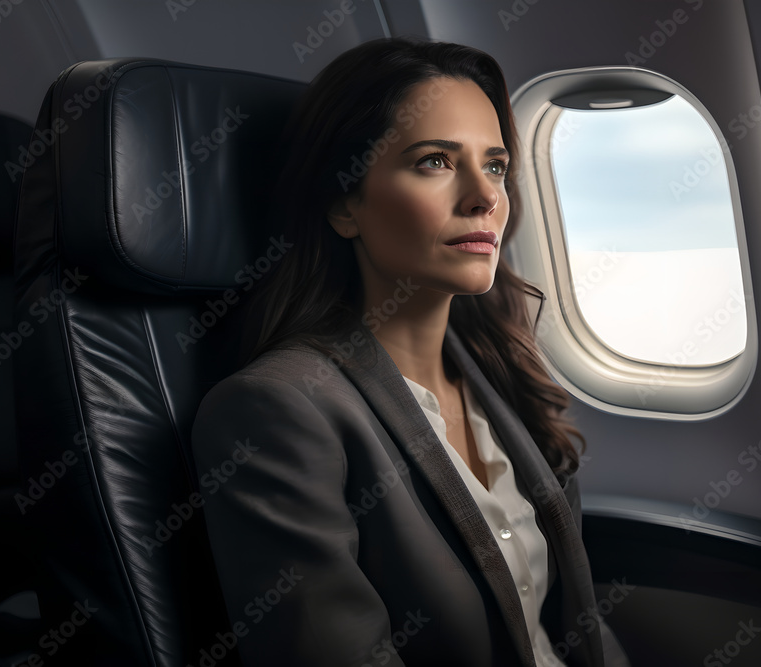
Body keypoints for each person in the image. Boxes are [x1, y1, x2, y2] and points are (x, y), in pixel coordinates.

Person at [191, 37, 630, 667]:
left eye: (497, 165)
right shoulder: (277, 410)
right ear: (346, 205)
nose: (486, 197)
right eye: (435, 162)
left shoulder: (503, 376)